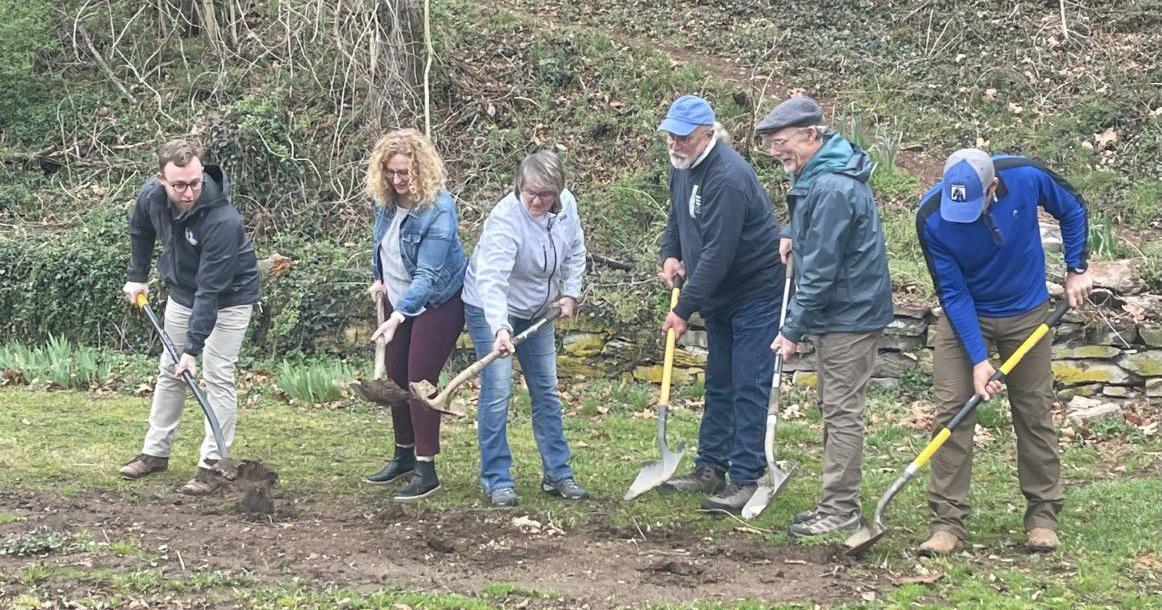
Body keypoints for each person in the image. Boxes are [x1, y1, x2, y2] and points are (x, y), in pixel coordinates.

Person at [914, 148, 1091, 554]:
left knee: (1033, 411)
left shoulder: (1026, 176)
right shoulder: (931, 217)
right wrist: (978, 358)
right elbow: (952, 292)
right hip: (966, 317)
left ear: (993, 186)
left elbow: (1073, 208)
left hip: (1026, 312)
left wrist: (1076, 267)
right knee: (952, 413)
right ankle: (947, 522)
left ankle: (1043, 515)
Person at [759, 95, 894, 538]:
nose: (777, 152)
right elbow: (811, 220)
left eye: (782, 142)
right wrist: (788, 232)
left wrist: (792, 328)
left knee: (841, 411)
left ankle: (840, 509)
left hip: (849, 314)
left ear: (812, 134)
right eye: (772, 144)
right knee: (835, 407)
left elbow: (819, 272)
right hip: (843, 308)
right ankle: (836, 501)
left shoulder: (833, 187)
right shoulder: (818, 171)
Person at [655, 94, 786, 514]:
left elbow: (717, 254)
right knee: (719, 380)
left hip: (755, 292)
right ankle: (710, 466)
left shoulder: (727, 177)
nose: (675, 145)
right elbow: (676, 219)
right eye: (671, 137)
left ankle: (747, 477)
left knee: (748, 381)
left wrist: (682, 309)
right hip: (720, 296)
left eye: (684, 139)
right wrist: (670, 254)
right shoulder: (683, 167)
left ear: (709, 135)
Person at [119, 138, 261, 495]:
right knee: (169, 370)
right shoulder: (152, 197)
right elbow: (141, 229)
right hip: (182, 292)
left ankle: (213, 465)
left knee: (217, 374)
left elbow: (210, 292)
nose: (189, 191)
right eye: (179, 184)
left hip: (229, 297)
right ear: (161, 179)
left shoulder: (222, 219)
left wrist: (192, 351)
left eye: (195, 182)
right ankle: (155, 452)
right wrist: (138, 275)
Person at [462, 151, 588, 507]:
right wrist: (500, 328)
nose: (535, 200)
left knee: (546, 390)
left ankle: (558, 473)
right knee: (499, 389)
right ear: (520, 186)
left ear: (558, 193)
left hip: (538, 308)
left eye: (544, 194)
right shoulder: (506, 218)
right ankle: (497, 478)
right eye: (529, 192)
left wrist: (570, 292)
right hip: (491, 306)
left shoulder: (567, 209)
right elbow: (492, 279)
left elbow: (576, 250)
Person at [362, 128, 467, 502]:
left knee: (419, 379)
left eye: (404, 172)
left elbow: (428, 276)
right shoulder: (386, 201)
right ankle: (403, 456)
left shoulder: (439, 209)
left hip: (437, 302)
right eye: (390, 172)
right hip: (398, 301)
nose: (397, 180)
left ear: (421, 169)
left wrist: (397, 316)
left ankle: (427, 468)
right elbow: (383, 243)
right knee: (395, 376)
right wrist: (379, 278)